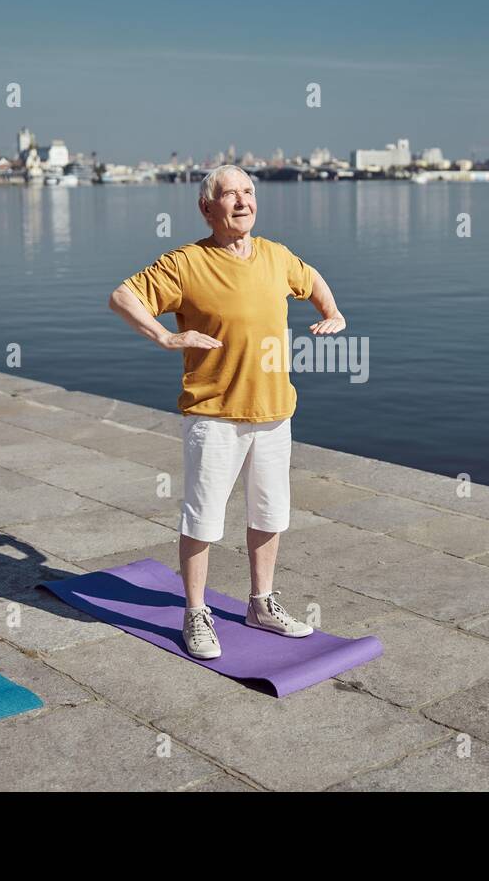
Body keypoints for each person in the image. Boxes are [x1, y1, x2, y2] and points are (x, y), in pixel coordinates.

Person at [110, 164, 346, 659]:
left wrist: (333, 313)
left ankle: (261, 603)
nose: (242, 201)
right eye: (229, 194)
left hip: (275, 412)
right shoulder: (186, 263)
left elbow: (312, 276)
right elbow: (123, 296)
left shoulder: (276, 256)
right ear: (206, 207)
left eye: (248, 192)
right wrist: (166, 336)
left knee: (270, 512)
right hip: (214, 415)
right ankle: (195, 613)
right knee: (203, 519)